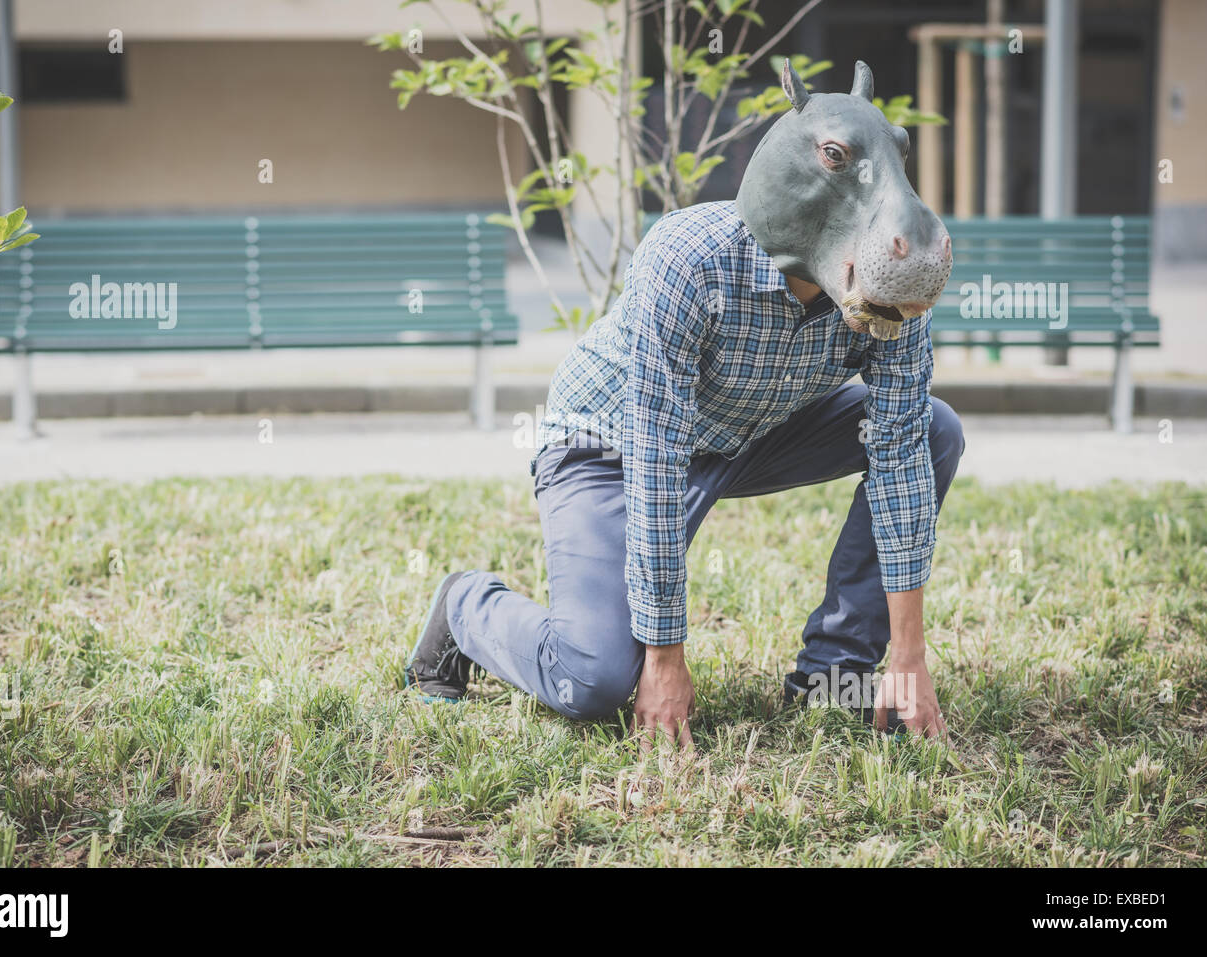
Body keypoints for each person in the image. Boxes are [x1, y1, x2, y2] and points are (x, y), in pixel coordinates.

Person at [405, 61, 963, 748]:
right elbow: (655, 453)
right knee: (596, 681)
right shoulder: (689, 258)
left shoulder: (884, 280)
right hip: (608, 444)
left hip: (750, 432)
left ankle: (832, 673)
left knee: (934, 429)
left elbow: (901, 445)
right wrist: (663, 658)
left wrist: (908, 656)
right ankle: (465, 606)